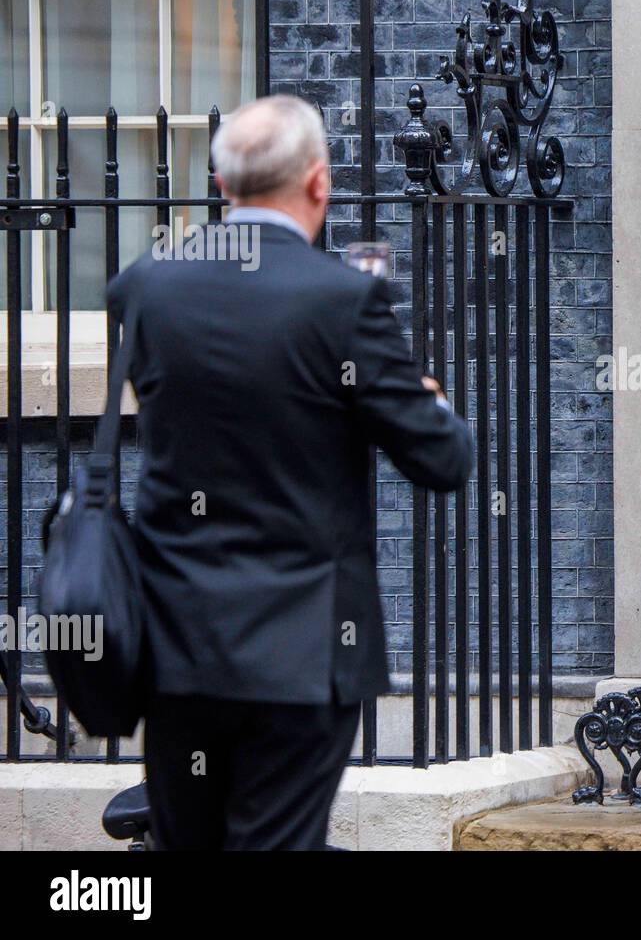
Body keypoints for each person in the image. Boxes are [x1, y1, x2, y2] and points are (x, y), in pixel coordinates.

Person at [106, 94, 474, 849]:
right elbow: (441, 460)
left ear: (220, 184)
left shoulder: (146, 286)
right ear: (318, 184)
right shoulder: (343, 301)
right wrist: (427, 401)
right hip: (301, 650)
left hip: (176, 640)